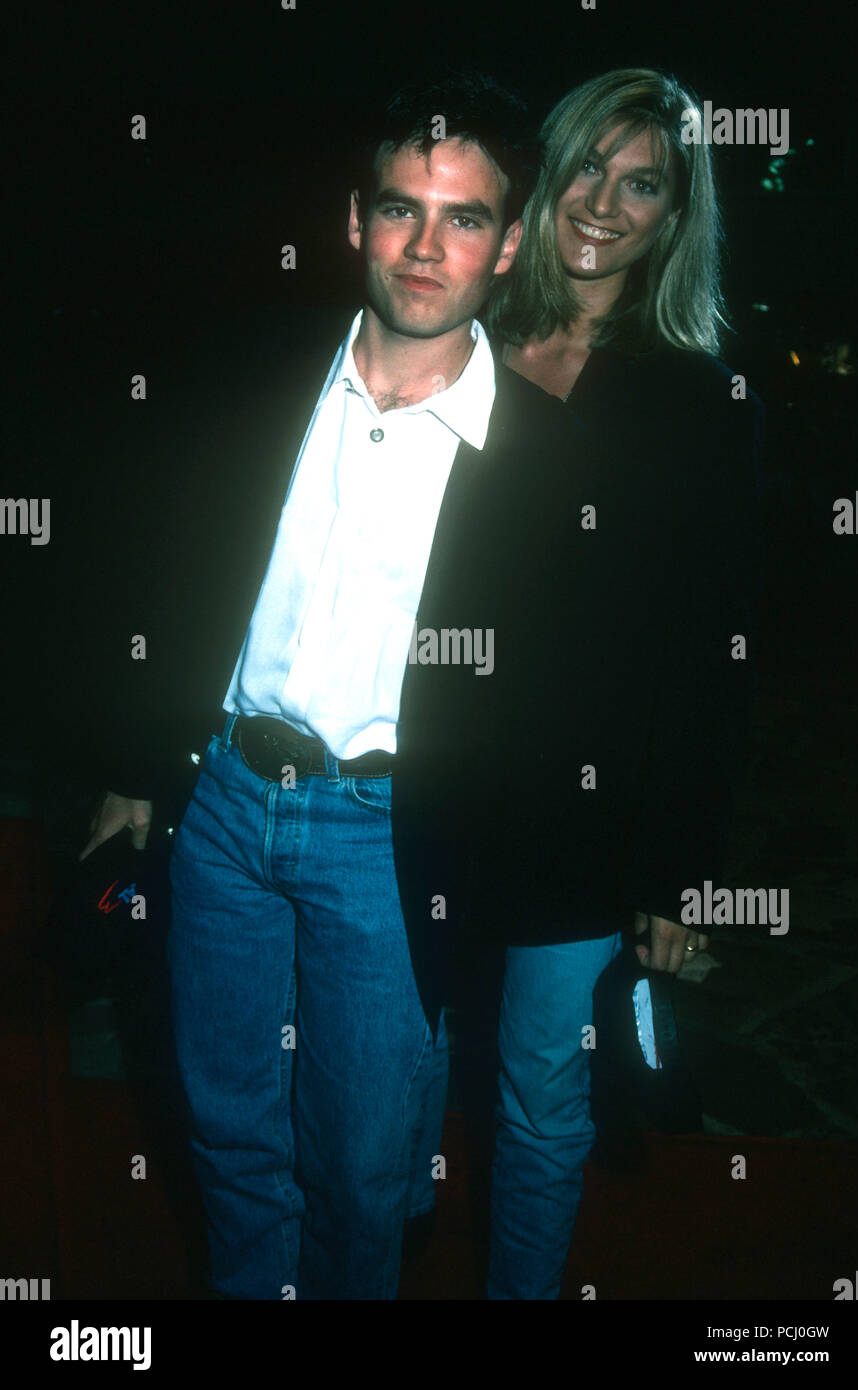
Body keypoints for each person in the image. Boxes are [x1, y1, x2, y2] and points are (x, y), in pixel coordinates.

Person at [77, 71, 593, 1300]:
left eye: (464, 217)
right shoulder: (250, 376)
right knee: (231, 1141)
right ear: (356, 219)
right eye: (402, 209)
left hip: (391, 841)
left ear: (509, 244)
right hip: (222, 811)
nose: (427, 246)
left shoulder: (546, 461)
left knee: (365, 1174)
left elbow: (565, 702)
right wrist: (134, 765)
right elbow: (161, 576)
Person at [478, 68, 765, 1299]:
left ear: (674, 212)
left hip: (580, 821)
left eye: (640, 181)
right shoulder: (458, 343)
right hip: (412, 792)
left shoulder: (697, 399)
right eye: (586, 166)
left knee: (539, 1098)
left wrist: (679, 875)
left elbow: (710, 657)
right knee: (380, 1080)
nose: (602, 201)